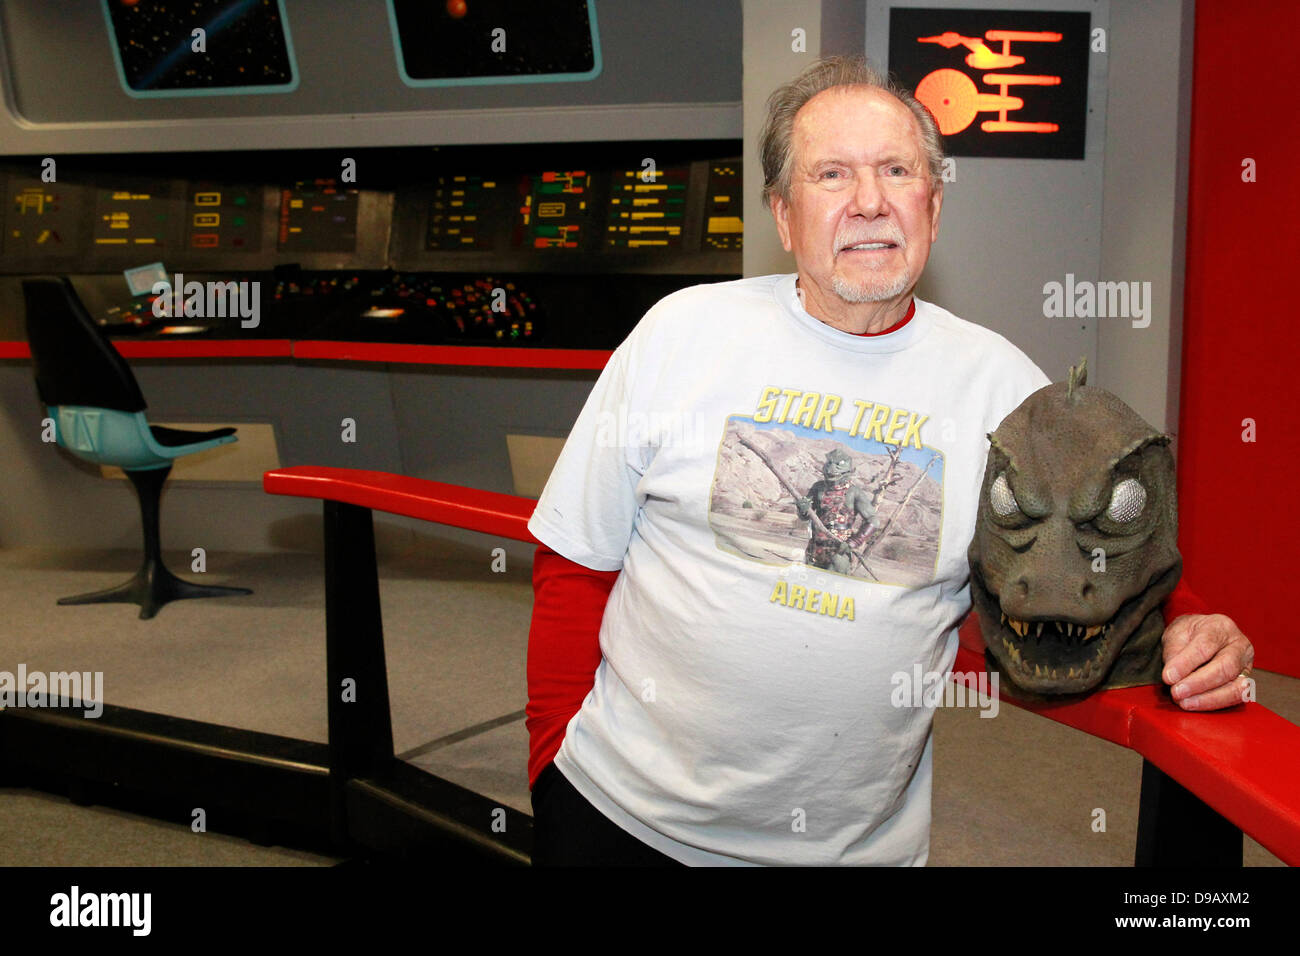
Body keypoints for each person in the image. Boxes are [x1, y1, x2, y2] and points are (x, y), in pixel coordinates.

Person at [524, 56, 1254, 866]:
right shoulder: (679, 333)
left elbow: (1101, 544)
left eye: (897, 171)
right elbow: (574, 561)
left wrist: (1194, 621)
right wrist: (550, 767)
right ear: (783, 213)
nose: (869, 201)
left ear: (932, 206)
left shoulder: (1004, 390)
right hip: (617, 819)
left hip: (854, 852)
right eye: (831, 174)